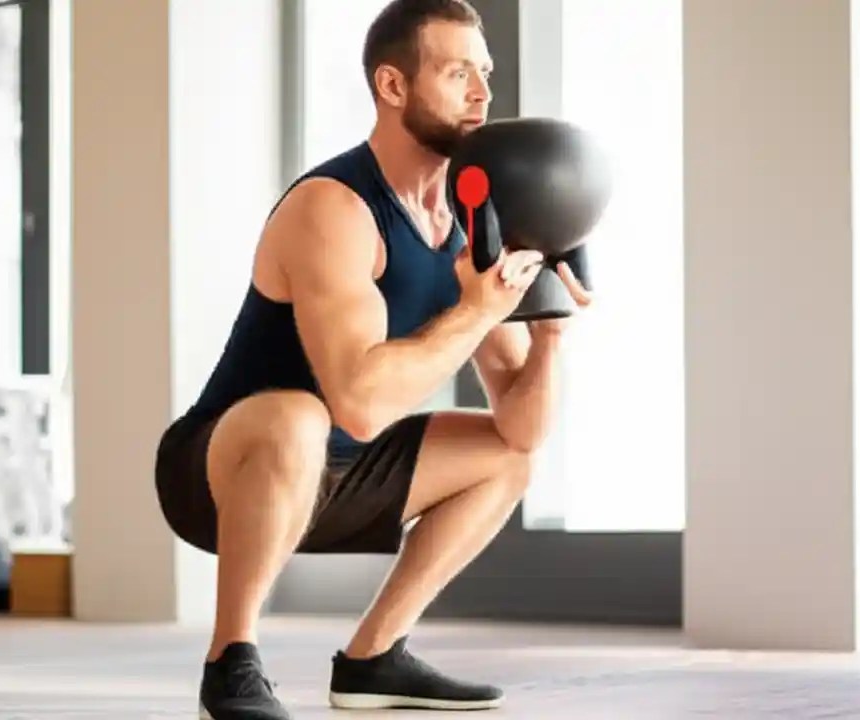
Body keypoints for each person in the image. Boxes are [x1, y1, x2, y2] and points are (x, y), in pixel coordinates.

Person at [153, 0, 591, 717]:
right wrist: (478, 310)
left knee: (506, 457)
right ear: (393, 85)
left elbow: (524, 428)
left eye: (485, 73)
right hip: (220, 472)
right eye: (458, 74)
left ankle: (373, 659)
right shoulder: (334, 208)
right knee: (298, 416)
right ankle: (230, 662)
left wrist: (548, 326)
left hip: (343, 474)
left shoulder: (470, 225)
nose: (483, 93)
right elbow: (357, 404)